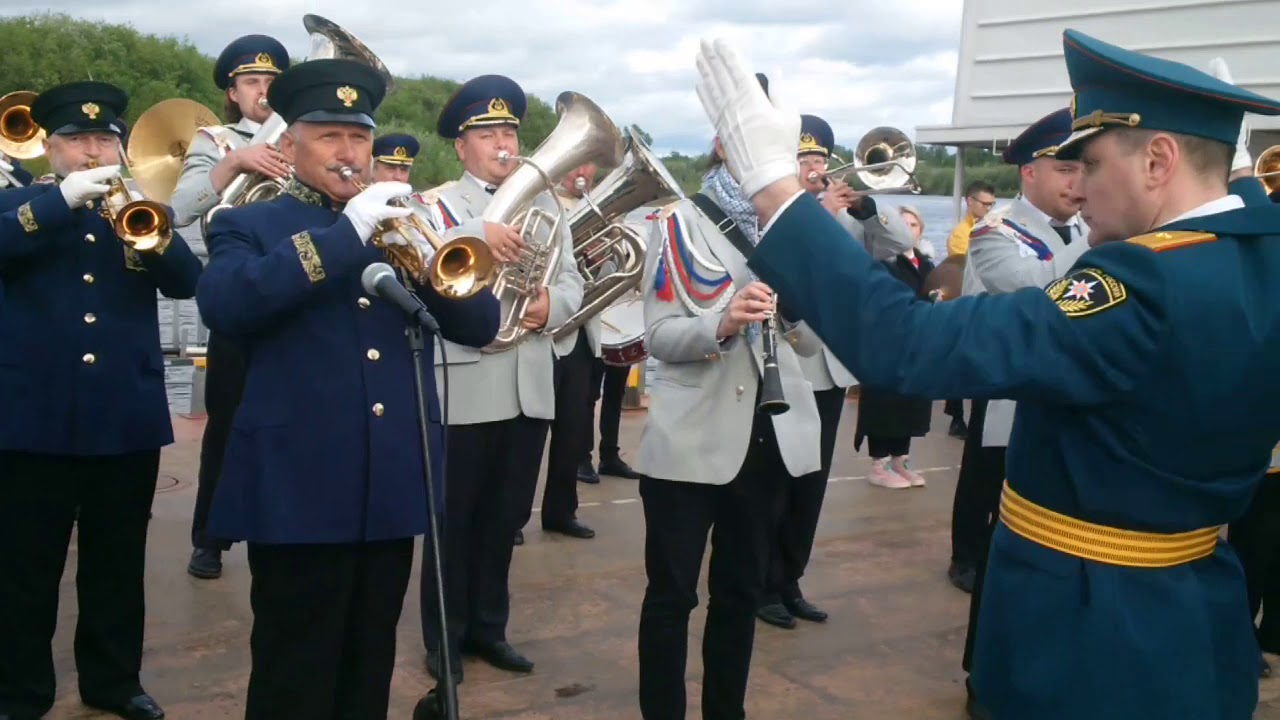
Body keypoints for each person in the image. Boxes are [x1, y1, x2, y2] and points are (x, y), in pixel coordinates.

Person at [694, 29, 1280, 719]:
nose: (1079, 188)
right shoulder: (1260, 251)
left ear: (1158, 161)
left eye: (1090, 163)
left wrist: (772, 185)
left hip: (1095, 634)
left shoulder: (1143, 282)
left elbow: (904, 342)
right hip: (1199, 613)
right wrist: (1237, 178)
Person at [195, 58, 500, 719]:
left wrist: (438, 241)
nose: (349, 152)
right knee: (293, 671)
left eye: (358, 137)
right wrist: (344, 236)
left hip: (388, 483)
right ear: (289, 144)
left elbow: (479, 325)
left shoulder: (400, 225)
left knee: (369, 665)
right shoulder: (248, 224)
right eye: (330, 135)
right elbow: (226, 305)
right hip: (298, 488)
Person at [0, 80, 202, 720]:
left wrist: (153, 222)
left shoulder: (137, 209)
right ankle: (19, 690)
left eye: (104, 139)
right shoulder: (23, 207)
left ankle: (114, 682)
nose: (92, 152)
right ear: (49, 150)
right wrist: (57, 204)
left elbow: (188, 284)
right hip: (33, 417)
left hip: (125, 416)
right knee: (24, 566)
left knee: (117, 564)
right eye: (77, 140)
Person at [634, 72, 822, 720]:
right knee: (671, 597)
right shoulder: (678, 224)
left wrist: (796, 313)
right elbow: (656, 335)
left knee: (739, 595)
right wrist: (722, 322)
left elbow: (817, 348)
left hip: (766, 441)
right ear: (721, 138)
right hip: (689, 442)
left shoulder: (800, 230)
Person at [418, 74, 585, 680]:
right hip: (464, 384)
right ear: (461, 147)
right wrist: (474, 233)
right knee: (453, 521)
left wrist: (551, 307)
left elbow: (572, 283)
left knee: (505, 519)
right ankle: (444, 638)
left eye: (510, 130)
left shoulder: (547, 209)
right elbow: (421, 266)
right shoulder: (437, 205)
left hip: (528, 384)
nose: (503, 142)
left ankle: (490, 628)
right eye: (487, 132)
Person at [943, 106, 1090, 716]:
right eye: (1064, 168)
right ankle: (983, 671)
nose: (1078, 183)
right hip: (1007, 413)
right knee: (1002, 546)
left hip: (1068, 414)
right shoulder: (995, 234)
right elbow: (1047, 296)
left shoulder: (1086, 230)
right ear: (1029, 173)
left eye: (1085, 169)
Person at [757, 112, 913, 630]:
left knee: (812, 483)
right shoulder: (768, 211)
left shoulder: (848, 214)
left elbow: (899, 246)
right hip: (784, 364)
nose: (814, 167)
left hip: (831, 366)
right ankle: (760, 583)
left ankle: (791, 579)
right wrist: (816, 214)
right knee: (776, 481)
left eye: (820, 158)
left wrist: (867, 208)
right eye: (804, 159)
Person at [170, 33, 291, 581]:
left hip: (294, 297)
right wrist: (237, 163)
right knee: (226, 427)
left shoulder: (305, 136)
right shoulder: (214, 140)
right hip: (240, 301)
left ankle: (285, 528)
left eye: (271, 82)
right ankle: (210, 540)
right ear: (233, 94)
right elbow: (179, 208)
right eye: (252, 83)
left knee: (294, 423)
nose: (263, 92)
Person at [541, 161, 600, 539]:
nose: (582, 171)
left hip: (579, 332)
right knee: (528, 434)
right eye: (575, 162)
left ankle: (562, 511)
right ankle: (511, 517)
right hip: (541, 332)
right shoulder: (539, 202)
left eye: (589, 163)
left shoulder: (598, 205)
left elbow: (619, 267)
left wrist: (597, 256)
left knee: (573, 431)